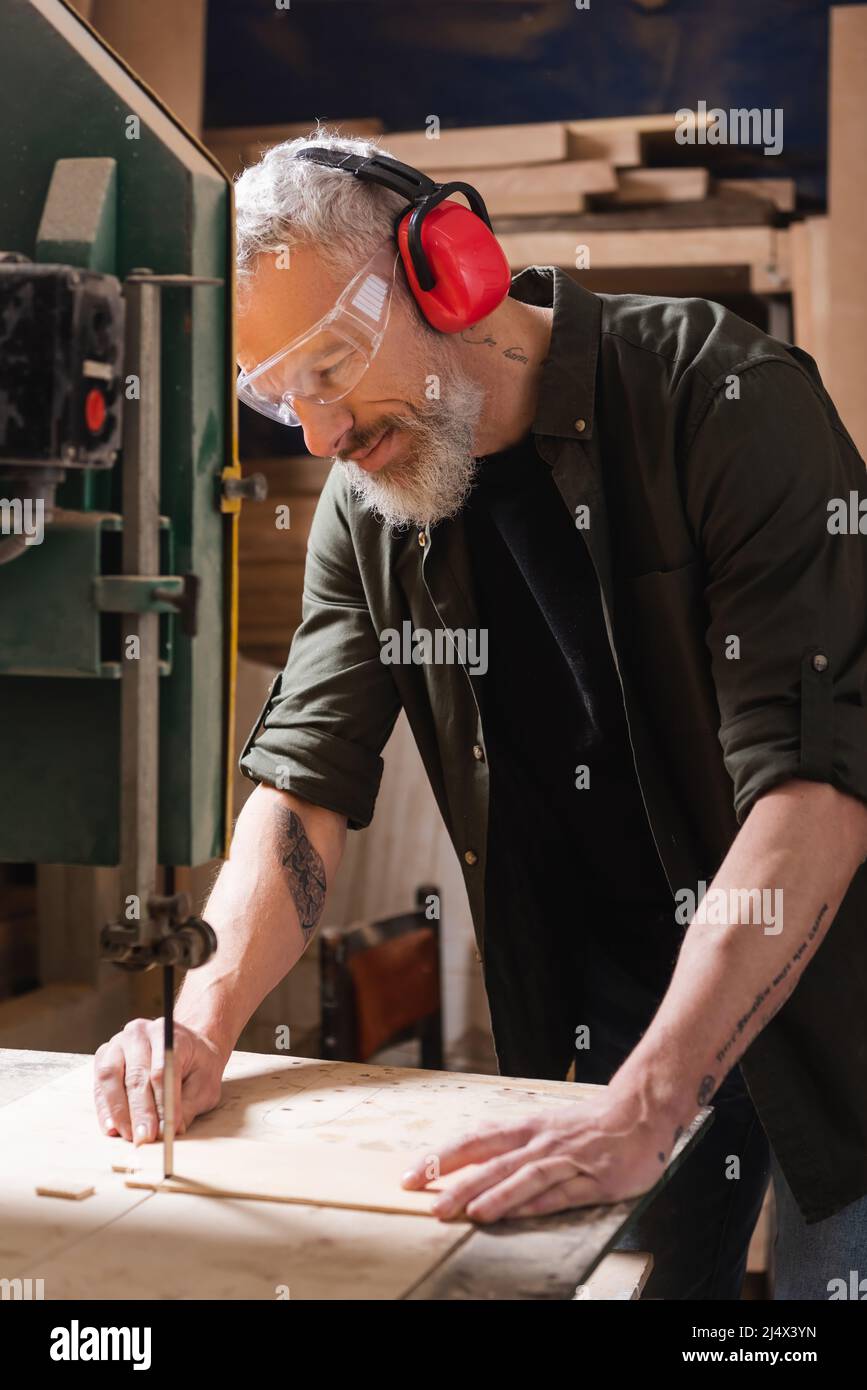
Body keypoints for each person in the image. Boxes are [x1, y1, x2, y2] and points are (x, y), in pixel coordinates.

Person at [94, 133, 867, 1300]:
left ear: (450, 267)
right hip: (611, 1009)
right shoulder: (370, 510)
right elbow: (306, 785)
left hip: (832, 997)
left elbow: (813, 789)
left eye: (335, 363)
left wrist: (651, 1103)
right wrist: (201, 1021)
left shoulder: (723, 399)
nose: (321, 434)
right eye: (279, 396)